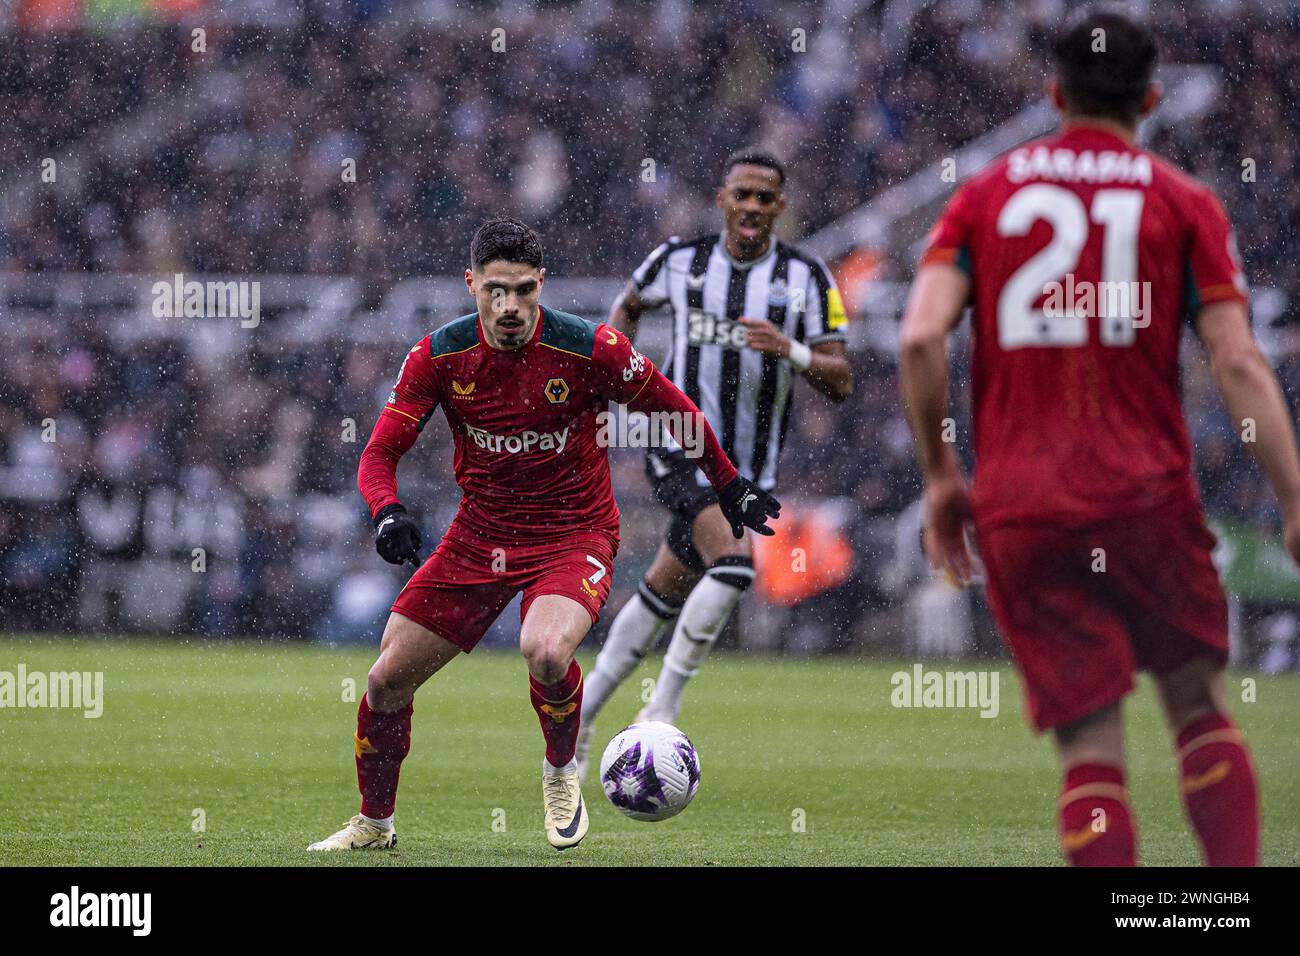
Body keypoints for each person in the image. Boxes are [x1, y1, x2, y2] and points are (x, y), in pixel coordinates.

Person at [899, 8, 1300, 867]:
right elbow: (1236, 361)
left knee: (1091, 750)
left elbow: (920, 337)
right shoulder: (1183, 202)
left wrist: (940, 476)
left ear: (1053, 93)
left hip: (1023, 509)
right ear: (1151, 99)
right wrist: (1295, 496)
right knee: (1197, 709)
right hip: (1144, 497)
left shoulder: (982, 196)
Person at [307, 216, 778, 853]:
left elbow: (673, 408)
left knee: (547, 651)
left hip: (572, 533)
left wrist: (728, 485)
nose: (509, 307)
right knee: (386, 680)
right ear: (470, 284)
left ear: (541, 285)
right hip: (478, 536)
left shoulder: (592, 349)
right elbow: (378, 453)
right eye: (495, 291)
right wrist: (385, 510)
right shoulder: (438, 355)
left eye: (523, 290)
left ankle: (561, 772)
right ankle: (374, 824)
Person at [577, 149, 853, 778]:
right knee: (734, 563)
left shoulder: (807, 278)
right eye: (743, 195)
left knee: (665, 586)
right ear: (722, 198)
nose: (752, 207)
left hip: (750, 470)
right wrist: (616, 378)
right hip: (676, 440)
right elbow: (628, 305)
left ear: (780, 206)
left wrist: (793, 350)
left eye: (765, 198)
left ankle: (581, 716)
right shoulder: (680, 261)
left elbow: (841, 379)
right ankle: (662, 708)